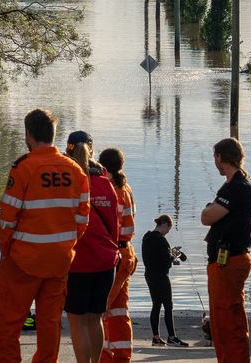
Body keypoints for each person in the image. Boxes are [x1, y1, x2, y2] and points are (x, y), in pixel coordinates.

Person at [0, 109, 91, 363]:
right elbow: (82, 220)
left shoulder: (24, 167)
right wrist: (65, 246)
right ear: (53, 134)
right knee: (49, 325)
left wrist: (8, 250)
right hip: (59, 261)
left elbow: (7, 218)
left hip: (23, 260)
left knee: (7, 325)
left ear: (28, 134)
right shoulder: (75, 170)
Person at [65, 132, 121, 363]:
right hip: (106, 261)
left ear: (68, 150)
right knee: (95, 318)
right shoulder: (106, 183)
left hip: (78, 262)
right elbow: (115, 225)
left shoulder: (70, 183)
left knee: (77, 321)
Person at [200, 137, 251, 363]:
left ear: (220, 157)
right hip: (232, 258)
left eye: (215, 157)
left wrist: (207, 209)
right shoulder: (244, 184)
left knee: (226, 322)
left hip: (227, 262)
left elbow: (208, 217)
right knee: (228, 319)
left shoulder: (235, 188)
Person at [98, 147, 137, 363]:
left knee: (103, 309)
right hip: (127, 252)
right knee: (120, 309)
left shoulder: (109, 191)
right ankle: (122, 357)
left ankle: (105, 356)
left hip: (113, 254)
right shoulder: (126, 188)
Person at [141, 214, 188, 347]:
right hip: (161, 276)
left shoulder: (146, 237)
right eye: (168, 229)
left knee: (156, 305)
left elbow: (155, 255)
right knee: (168, 305)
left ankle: (156, 338)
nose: (167, 232)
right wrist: (174, 255)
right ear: (165, 225)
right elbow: (167, 262)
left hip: (149, 274)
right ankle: (172, 337)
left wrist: (171, 253)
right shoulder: (161, 240)